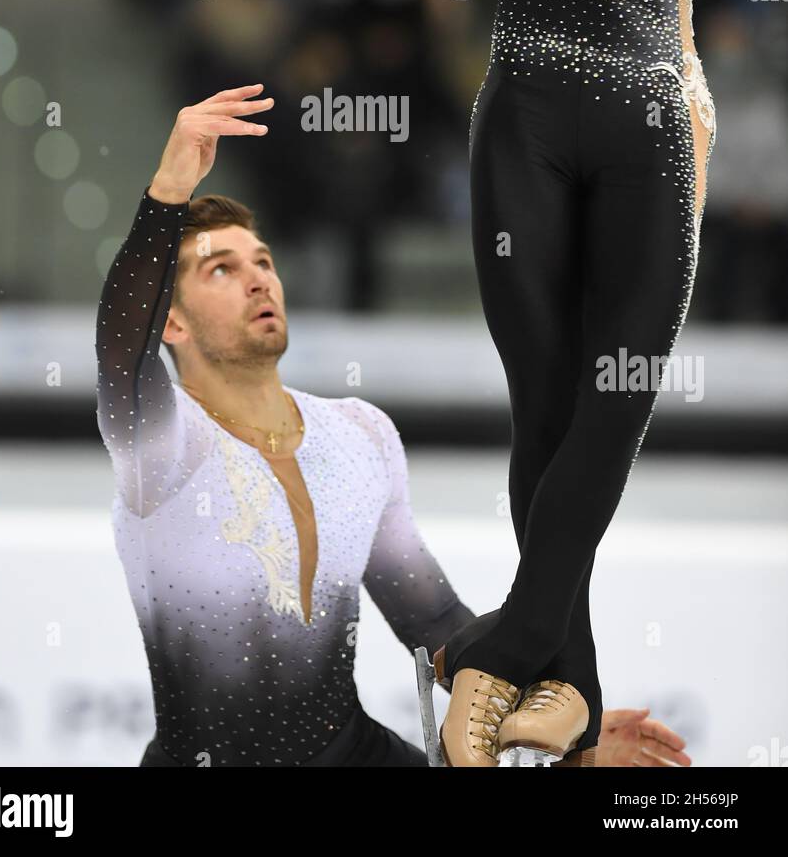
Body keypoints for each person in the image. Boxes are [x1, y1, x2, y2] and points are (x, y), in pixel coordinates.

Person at [95, 85, 684, 767]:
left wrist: (558, 720)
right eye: (221, 270)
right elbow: (119, 353)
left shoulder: (357, 435)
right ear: (170, 322)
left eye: (263, 261)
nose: (259, 280)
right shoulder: (165, 447)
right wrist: (168, 189)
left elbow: (431, 623)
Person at [422, 0, 747, 767]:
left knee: (614, 396)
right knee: (544, 407)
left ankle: (500, 652)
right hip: (522, 114)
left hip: (654, 116)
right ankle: (569, 691)